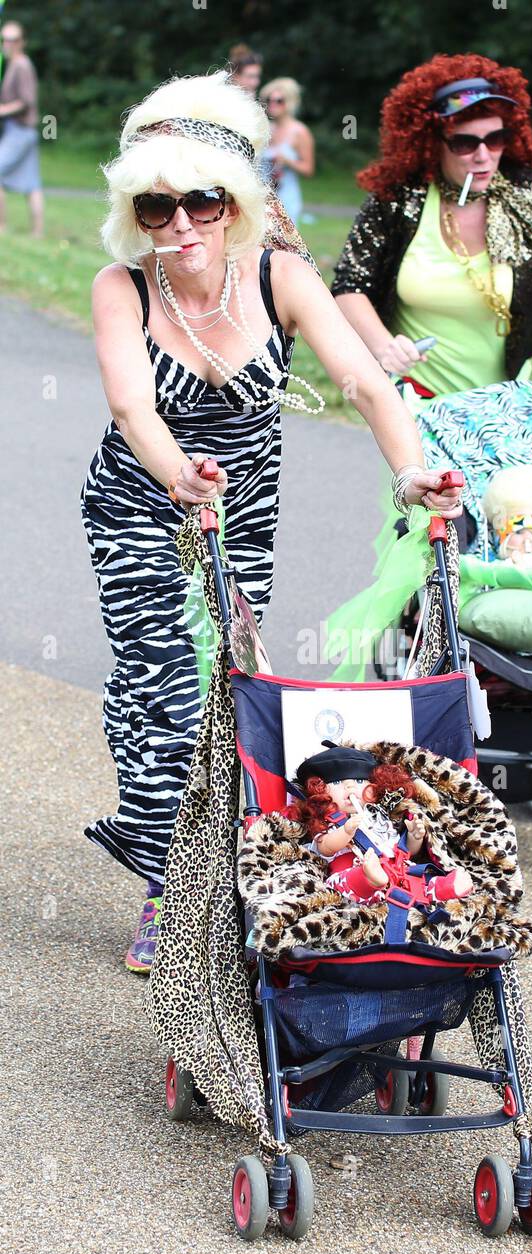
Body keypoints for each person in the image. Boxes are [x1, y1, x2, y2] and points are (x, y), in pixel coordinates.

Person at [81, 70, 463, 973]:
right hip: (141, 499)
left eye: (202, 202)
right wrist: (181, 475)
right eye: (156, 206)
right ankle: (169, 889)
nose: (180, 225)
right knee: (168, 682)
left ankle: (196, 854)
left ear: (237, 203)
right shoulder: (120, 288)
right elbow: (137, 412)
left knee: (223, 686)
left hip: (240, 513)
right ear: (134, 213)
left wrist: (411, 476)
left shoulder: (283, 275)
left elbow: (366, 381)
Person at [332, 54, 532, 398]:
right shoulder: (398, 199)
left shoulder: (531, 192)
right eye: (465, 143)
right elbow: (350, 285)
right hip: (419, 399)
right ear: (432, 142)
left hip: (517, 399)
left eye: (495, 139)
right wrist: (385, 347)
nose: (483, 155)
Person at [292, 744, 474, 905]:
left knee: (419, 880)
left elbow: (404, 851)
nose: (350, 787)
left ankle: (446, 887)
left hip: (397, 871)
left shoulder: (379, 817)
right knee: (338, 883)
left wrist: (414, 838)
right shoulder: (326, 821)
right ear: (320, 791)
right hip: (352, 868)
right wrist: (346, 832)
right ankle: (369, 879)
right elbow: (325, 847)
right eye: (338, 783)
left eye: (359, 781)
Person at [0, 19, 43, 236]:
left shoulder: (21, 65)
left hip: (20, 131)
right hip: (21, 131)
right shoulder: (14, 64)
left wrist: (3, 110)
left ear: (22, 42)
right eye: (5, 39)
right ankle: (37, 232)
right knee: (32, 184)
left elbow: (26, 101)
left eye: (13, 39)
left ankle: (2, 227)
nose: (8, 44)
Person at [259, 77, 314, 225]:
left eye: (279, 101)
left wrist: (288, 161)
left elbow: (308, 170)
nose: (272, 104)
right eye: (269, 100)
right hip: (262, 197)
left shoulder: (299, 131)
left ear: (289, 102)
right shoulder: (265, 129)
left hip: (286, 197)